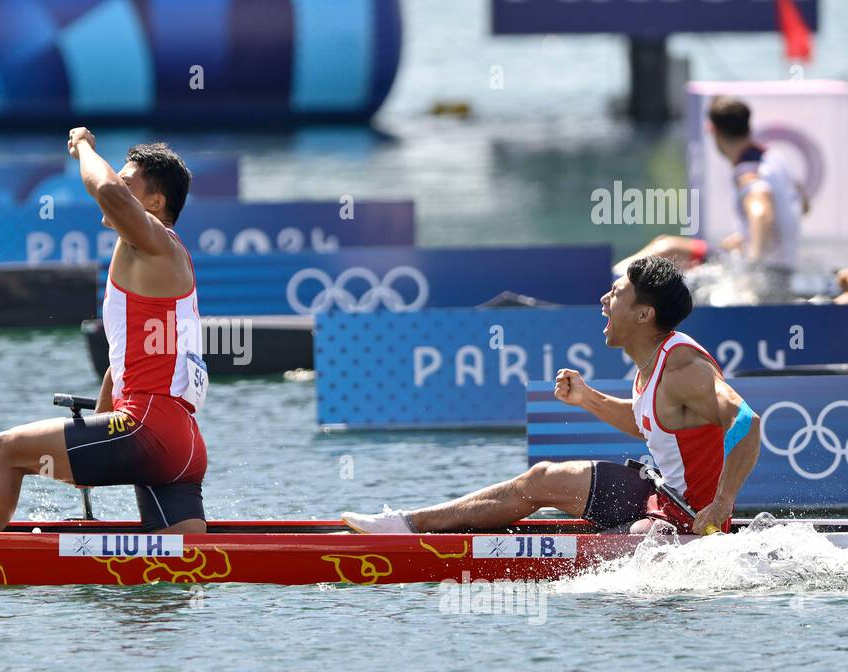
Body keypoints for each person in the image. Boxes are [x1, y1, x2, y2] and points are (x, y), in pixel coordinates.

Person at [343, 256, 761, 536]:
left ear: (644, 314)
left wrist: (723, 503)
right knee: (541, 478)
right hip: (661, 493)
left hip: (690, 520)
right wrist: (589, 399)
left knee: (634, 552)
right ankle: (408, 523)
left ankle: (411, 531)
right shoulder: (654, 361)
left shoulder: (682, 367)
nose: (603, 301)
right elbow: (653, 425)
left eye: (615, 294)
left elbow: (746, 421)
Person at [0, 130, 209, 533]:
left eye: (128, 179)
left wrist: (83, 146)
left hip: (147, 429)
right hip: (182, 445)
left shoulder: (154, 244)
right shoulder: (154, 259)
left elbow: (108, 191)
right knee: (182, 573)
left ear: (155, 203)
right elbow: (123, 362)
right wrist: (94, 434)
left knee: (6, 450)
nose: (116, 181)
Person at [615, 96, 806, 300]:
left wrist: (753, 267)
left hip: (768, 276)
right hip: (783, 267)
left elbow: (762, 212)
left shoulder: (747, 172)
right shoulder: (775, 159)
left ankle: (609, 281)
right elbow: (802, 204)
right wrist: (746, 237)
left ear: (712, 129)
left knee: (666, 248)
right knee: (669, 247)